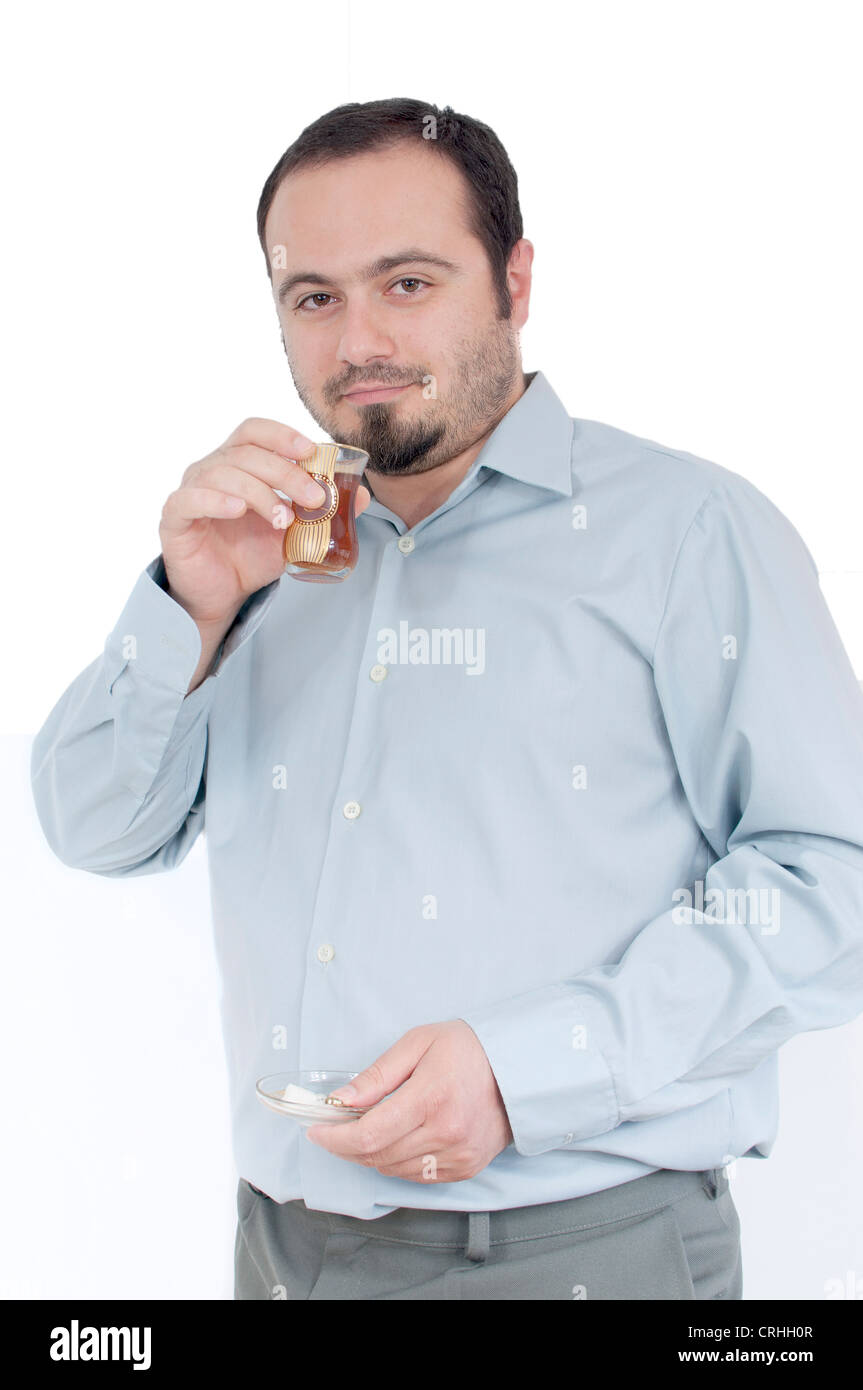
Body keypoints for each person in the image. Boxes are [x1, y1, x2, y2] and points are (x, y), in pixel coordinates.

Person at [31, 98, 863, 1302]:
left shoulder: (686, 532)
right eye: (313, 296)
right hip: (277, 1249)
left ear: (513, 281)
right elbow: (94, 830)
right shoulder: (263, 551)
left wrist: (528, 1071)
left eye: (406, 282)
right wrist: (187, 605)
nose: (356, 338)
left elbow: (834, 872)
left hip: (573, 1255)